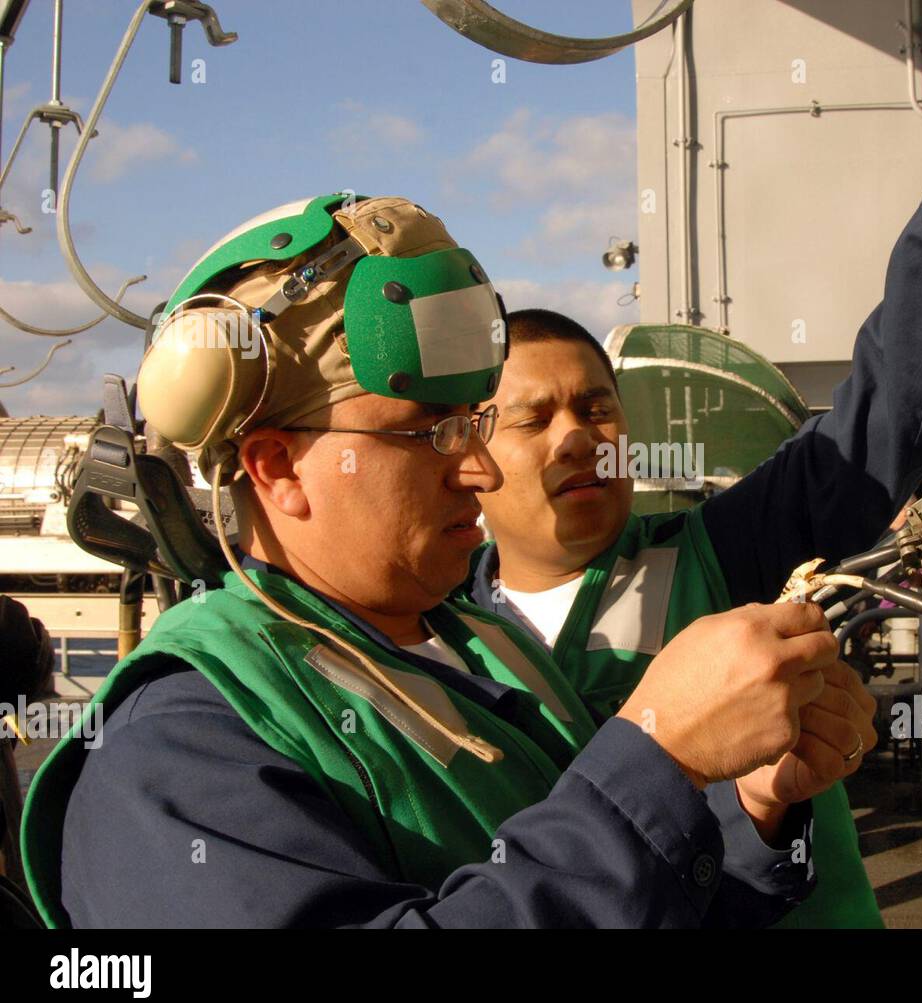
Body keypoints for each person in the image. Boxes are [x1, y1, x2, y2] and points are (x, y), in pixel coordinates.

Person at [20, 194, 874, 928]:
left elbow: (636, 902)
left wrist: (750, 809)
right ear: (277, 469)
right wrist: (659, 758)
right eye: (429, 433)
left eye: (472, 422)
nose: (482, 466)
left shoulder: (476, 641)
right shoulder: (175, 750)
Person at [461, 0, 922, 928]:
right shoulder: (443, 649)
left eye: (599, 406)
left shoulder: (726, 555)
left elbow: (892, 402)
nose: (579, 435)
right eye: (534, 418)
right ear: (470, 456)